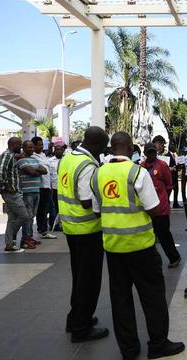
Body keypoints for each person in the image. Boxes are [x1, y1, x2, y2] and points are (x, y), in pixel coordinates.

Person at [91, 132, 185, 360]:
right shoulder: (137, 172)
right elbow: (153, 208)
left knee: (120, 299)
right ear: (132, 148)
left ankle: (129, 350)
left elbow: (96, 210)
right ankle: (158, 344)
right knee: (152, 296)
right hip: (141, 246)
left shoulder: (98, 175)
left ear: (111, 148)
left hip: (113, 247)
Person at [58, 126, 110, 343]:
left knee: (79, 277)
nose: (103, 151)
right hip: (87, 230)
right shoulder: (87, 165)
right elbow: (88, 201)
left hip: (71, 227)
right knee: (89, 281)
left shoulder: (68, 158)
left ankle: (75, 318)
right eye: (103, 147)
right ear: (96, 144)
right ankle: (81, 328)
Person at [141, 143, 181, 268]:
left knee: (164, 234)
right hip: (146, 208)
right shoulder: (141, 167)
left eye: (154, 152)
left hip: (160, 207)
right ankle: (151, 261)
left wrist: (164, 198)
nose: (152, 154)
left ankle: (174, 257)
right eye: (149, 152)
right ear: (145, 154)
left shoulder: (162, 165)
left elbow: (169, 185)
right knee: (148, 235)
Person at [0, 137, 29, 253]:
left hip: (13, 192)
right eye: (19, 145)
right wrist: (7, 186)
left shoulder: (12, 156)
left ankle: (9, 245)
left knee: (12, 219)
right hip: (10, 193)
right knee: (25, 216)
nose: (20, 147)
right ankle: (8, 237)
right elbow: (0, 171)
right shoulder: (7, 155)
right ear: (13, 144)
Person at [17, 140, 48, 249]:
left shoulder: (34, 159)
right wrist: (36, 170)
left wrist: (36, 170)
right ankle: (25, 240)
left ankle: (29, 237)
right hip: (27, 192)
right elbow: (31, 172)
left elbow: (45, 171)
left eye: (32, 147)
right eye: (29, 147)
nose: (32, 149)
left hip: (36, 190)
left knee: (32, 216)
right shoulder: (21, 160)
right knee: (28, 217)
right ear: (23, 148)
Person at [32, 137, 57, 240]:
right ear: (33, 146)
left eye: (42, 144)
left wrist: (50, 185)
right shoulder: (33, 156)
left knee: (45, 208)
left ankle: (42, 229)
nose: (41, 146)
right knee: (41, 209)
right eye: (38, 145)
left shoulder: (43, 155)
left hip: (47, 186)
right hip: (40, 186)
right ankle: (42, 230)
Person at [48, 144, 65, 231]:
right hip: (54, 188)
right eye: (57, 149)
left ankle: (62, 223)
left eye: (61, 149)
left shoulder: (67, 160)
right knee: (54, 207)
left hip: (64, 188)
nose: (59, 151)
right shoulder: (50, 161)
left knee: (63, 207)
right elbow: (49, 175)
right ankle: (54, 224)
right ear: (54, 150)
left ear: (63, 150)